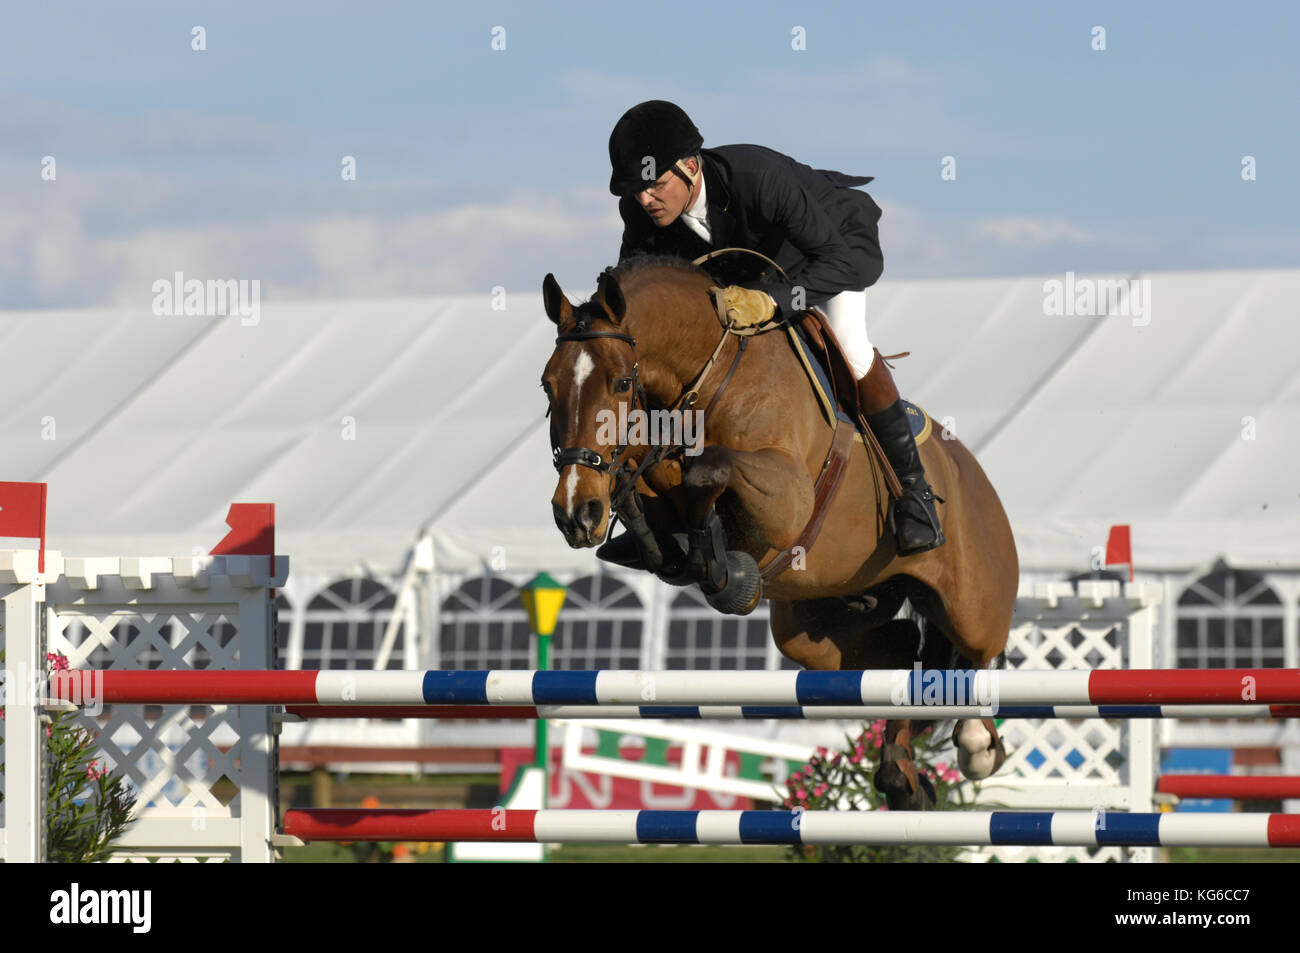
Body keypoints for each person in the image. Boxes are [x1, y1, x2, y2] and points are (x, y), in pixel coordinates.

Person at [605, 99, 944, 557]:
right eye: (636, 191)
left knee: (851, 347)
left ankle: (914, 494)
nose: (645, 200)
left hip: (824, 257)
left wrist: (772, 301)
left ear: (689, 166)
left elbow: (839, 262)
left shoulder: (757, 177)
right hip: (744, 279)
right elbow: (635, 298)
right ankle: (658, 512)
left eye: (656, 186)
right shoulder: (640, 213)